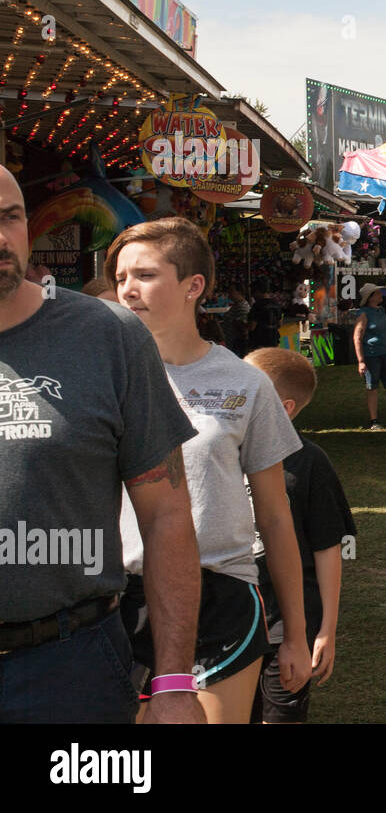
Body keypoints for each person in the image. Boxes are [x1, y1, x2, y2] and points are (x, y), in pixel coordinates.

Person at [0, 166, 205, 724]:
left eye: (10, 218)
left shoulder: (107, 335)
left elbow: (166, 515)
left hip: (67, 668)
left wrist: (173, 682)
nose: (1, 237)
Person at [107, 217, 312, 724]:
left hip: (223, 595)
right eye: (120, 277)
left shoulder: (246, 384)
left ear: (193, 286)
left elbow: (277, 518)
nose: (128, 290)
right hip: (121, 599)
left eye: (146, 275)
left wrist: (297, 634)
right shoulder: (102, 379)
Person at [244, 349, 356, 724]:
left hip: (288, 628)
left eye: (249, 390)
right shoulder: (222, 451)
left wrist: (326, 629)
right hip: (230, 622)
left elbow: (328, 549)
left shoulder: (309, 463)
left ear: (285, 408)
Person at [352, 282, 386, 429]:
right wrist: (361, 361)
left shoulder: (381, 311)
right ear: (370, 297)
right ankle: (373, 420)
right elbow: (357, 337)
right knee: (372, 386)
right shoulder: (363, 314)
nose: (381, 295)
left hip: (385, 353)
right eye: (377, 293)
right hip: (371, 355)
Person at [247, 278, 283, 351]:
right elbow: (280, 324)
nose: (252, 295)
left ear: (257, 291)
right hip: (273, 341)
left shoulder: (257, 306)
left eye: (253, 292)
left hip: (259, 343)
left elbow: (251, 327)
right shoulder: (276, 304)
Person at [222, 283, 251, 356]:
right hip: (231, 344)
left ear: (239, 292)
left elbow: (244, 331)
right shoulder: (237, 305)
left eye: (231, 291)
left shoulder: (242, 307)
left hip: (236, 346)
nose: (229, 293)